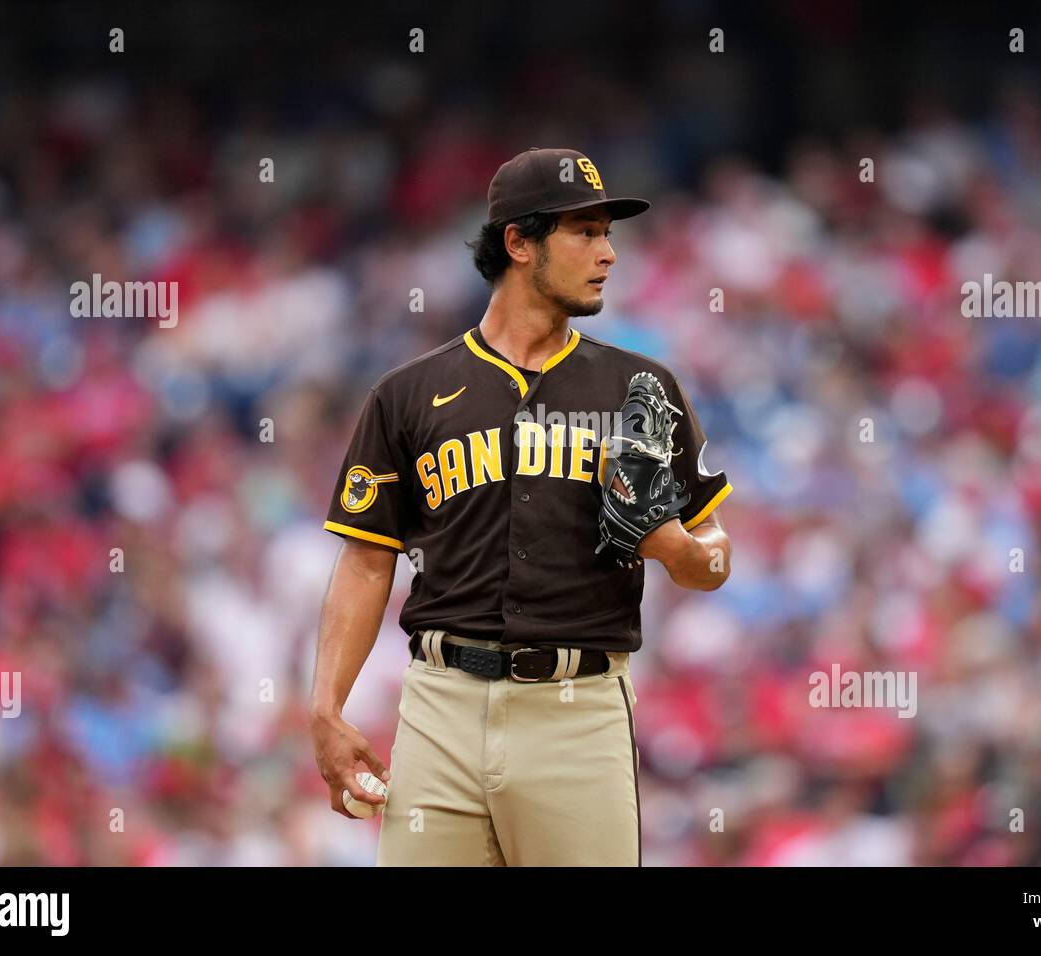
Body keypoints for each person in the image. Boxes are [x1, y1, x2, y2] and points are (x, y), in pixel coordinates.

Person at [308, 147, 733, 866]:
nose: (608, 253)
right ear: (518, 242)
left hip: (578, 713)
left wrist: (675, 547)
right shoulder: (408, 394)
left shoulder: (640, 388)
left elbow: (714, 559)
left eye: (607, 234)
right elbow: (366, 561)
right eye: (585, 232)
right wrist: (326, 706)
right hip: (440, 707)